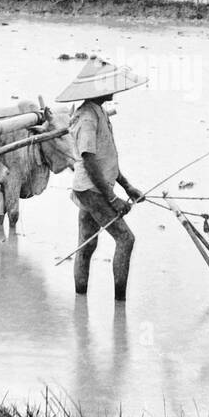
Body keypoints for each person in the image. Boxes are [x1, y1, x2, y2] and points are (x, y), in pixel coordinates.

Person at [57, 58, 147, 301]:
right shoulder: (87, 118)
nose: (115, 89)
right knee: (125, 239)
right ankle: (120, 306)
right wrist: (113, 198)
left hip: (88, 187)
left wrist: (127, 186)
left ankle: (81, 303)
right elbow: (89, 159)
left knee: (86, 246)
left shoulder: (98, 112)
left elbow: (106, 159)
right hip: (92, 190)